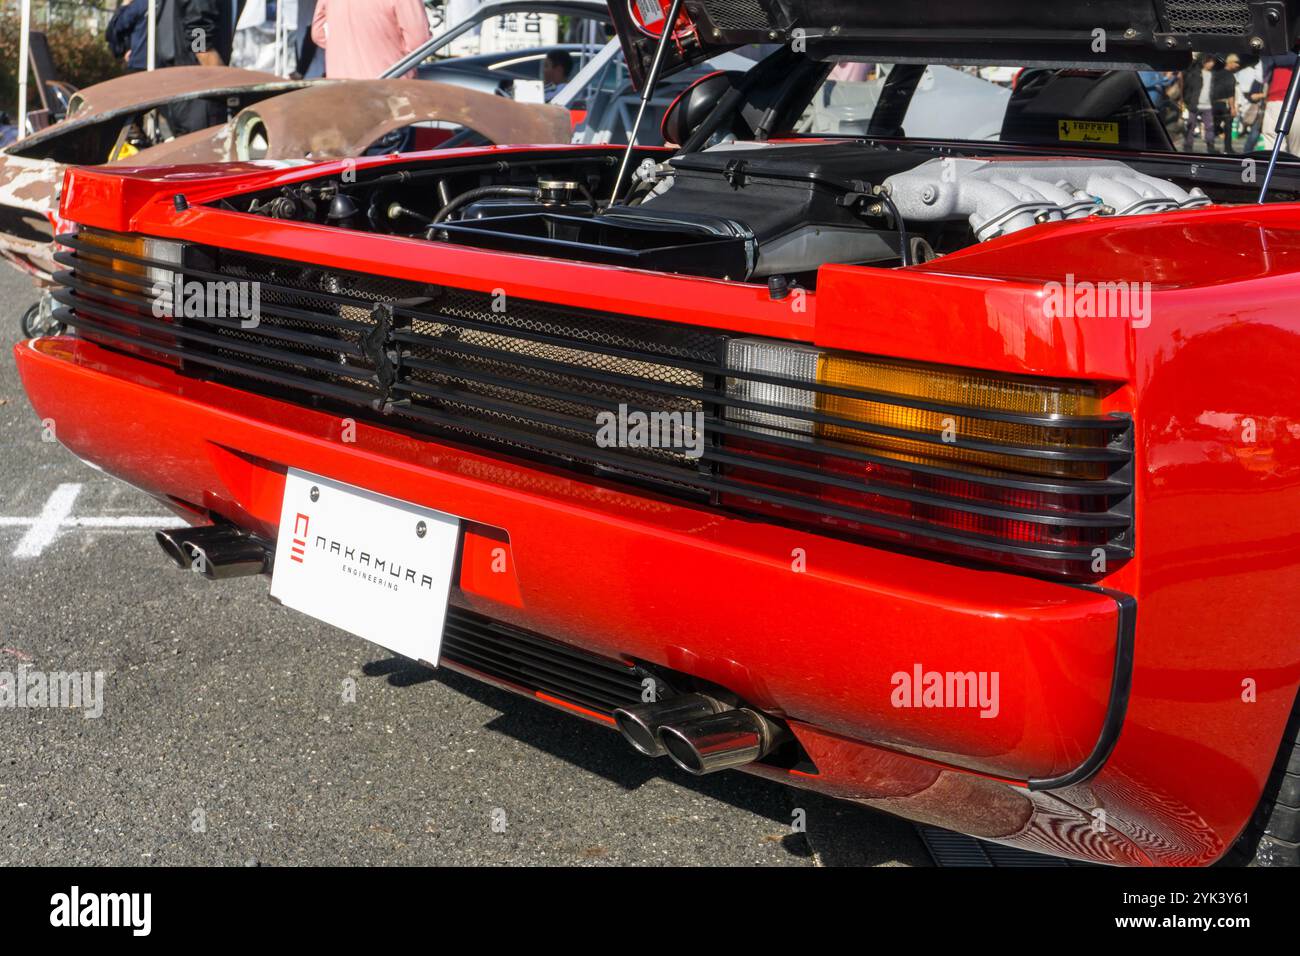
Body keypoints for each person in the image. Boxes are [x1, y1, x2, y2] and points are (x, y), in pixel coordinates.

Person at [311, 0, 432, 80]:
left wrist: (345, 46)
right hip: (389, 86)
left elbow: (318, 33)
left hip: (338, 85)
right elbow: (420, 43)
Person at [1182, 54, 1236, 153]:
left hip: (1208, 105)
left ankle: (1210, 147)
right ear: (1204, 62)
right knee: (1191, 126)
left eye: (1212, 62)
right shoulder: (1195, 74)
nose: (1211, 64)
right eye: (1209, 61)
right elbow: (1188, 87)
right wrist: (1187, 101)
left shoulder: (1213, 74)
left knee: (1209, 127)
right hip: (1195, 104)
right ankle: (1188, 147)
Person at [106, 0, 150, 72]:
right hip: (166, 62)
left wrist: (124, 5)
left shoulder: (139, 4)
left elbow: (115, 28)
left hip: (139, 63)